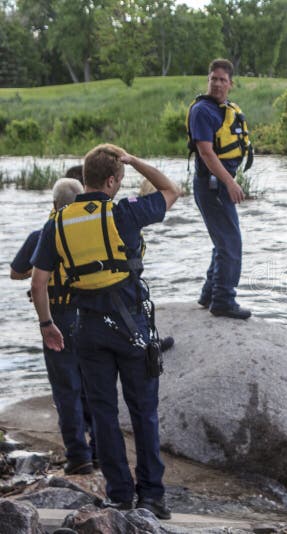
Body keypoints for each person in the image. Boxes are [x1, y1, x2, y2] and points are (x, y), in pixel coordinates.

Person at [30, 144, 180, 520]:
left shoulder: (58, 222)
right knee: (143, 411)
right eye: (121, 177)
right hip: (131, 328)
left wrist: (47, 325)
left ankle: (119, 496)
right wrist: (135, 159)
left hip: (87, 330)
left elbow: (38, 282)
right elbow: (171, 190)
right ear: (112, 180)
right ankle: (152, 497)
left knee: (103, 412)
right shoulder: (123, 213)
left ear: (86, 177)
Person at [10, 177, 96, 475]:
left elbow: (15, 272)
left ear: (53, 204)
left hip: (57, 316)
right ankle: (98, 450)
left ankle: (78, 456)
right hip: (89, 315)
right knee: (92, 386)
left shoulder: (41, 234)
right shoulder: (90, 233)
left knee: (66, 389)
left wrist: (39, 274)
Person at [187, 58, 254, 320]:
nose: (216, 84)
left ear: (230, 84)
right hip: (211, 186)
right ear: (208, 81)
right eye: (212, 79)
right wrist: (230, 182)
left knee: (223, 241)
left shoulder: (228, 109)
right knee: (230, 243)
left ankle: (209, 294)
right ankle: (223, 300)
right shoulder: (202, 111)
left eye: (222, 80)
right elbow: (206, 152)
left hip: (219, 185)